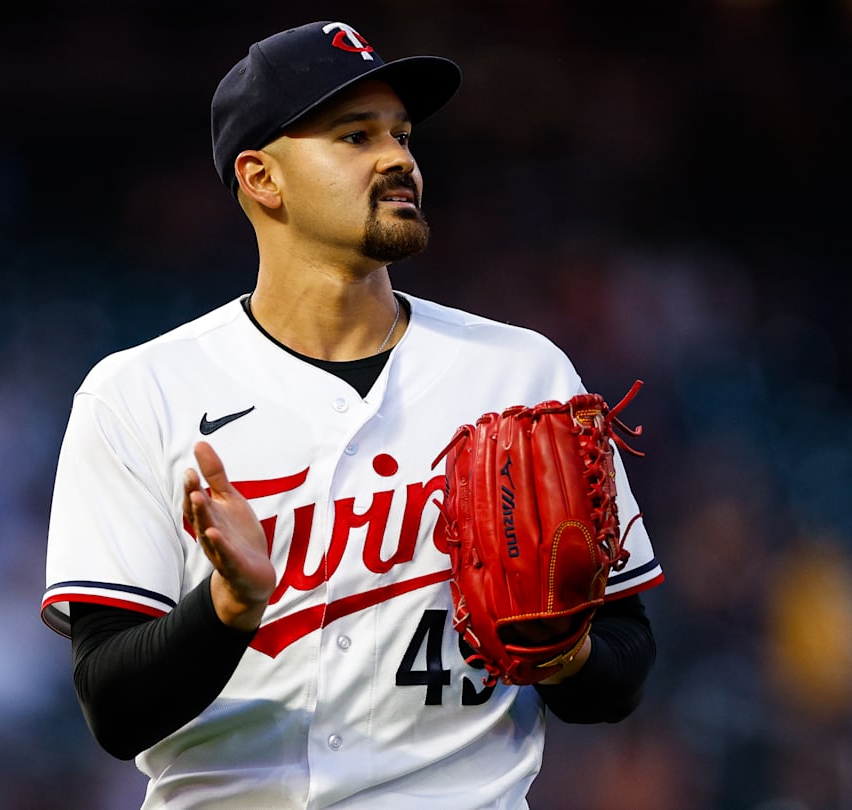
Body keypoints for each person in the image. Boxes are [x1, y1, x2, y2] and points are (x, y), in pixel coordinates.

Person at [40, 20, 663, 809]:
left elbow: (625, 657)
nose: (399, 157)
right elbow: (113, 707)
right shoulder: (141, 391)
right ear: (262, 178)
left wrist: (562, 654)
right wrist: (226, 611)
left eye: (401, 134)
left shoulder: (522, 373)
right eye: (354, 135)